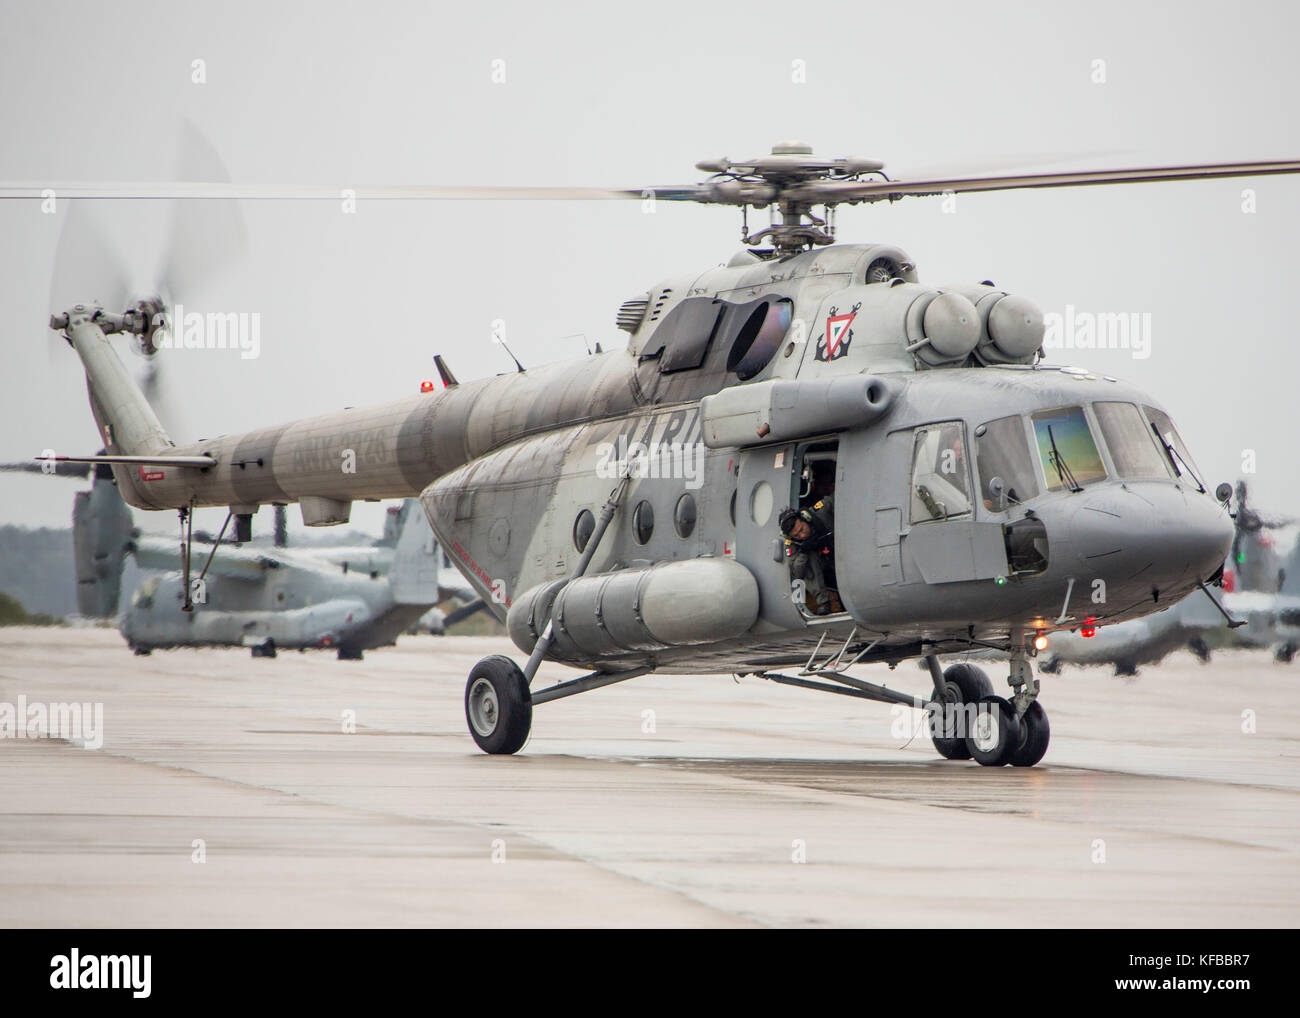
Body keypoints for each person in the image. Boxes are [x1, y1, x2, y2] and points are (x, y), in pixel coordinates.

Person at [779, 494, 837, 615]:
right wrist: (804, 551)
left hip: (840, 548)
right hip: (825, 566)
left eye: (801, 529)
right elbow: (796, 573)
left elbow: (838, 498)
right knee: (807, 560)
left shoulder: (821, 511)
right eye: (796, 535)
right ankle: (823, 602)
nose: (802, 535)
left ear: (805, 518)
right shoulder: (792, 544)